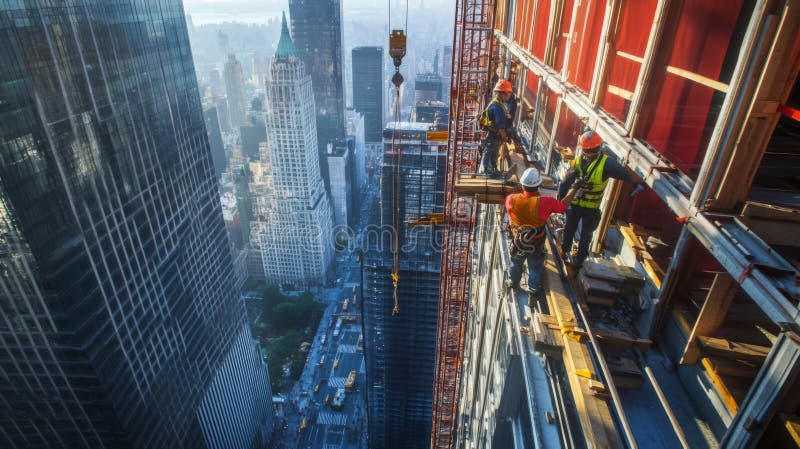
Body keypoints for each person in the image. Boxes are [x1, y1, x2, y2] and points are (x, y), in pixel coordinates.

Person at [557, 130, 644, 272]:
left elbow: (565, 183)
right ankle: (571, 257)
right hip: (584, 207)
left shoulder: (597, 163)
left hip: (584, 208)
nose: (588, 152)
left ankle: (571, 258)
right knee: (577, 233)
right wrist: (640, 182)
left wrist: (560, 201)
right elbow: (566, 181)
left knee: (578, 233)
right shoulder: (595, 162)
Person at [505, 167, 576, 306]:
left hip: (519, 240)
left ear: (521, 184)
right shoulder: (545, 202)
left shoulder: (511, 199)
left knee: (516, 262)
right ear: (538, 184)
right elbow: (562, 207)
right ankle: (532, 291)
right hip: (536, 242)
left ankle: (512, 282)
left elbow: (510, 215)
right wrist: (574, 189)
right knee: (535, 266)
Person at [480, 79, 519, 175]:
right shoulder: (498, 107)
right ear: (502, 93)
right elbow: (500, 127)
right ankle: (486, 169)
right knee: (491, 150)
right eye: (508, 93)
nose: (509, 96)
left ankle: (492, 169)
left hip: (493, 134)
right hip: (495, 134)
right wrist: (505, 137)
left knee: (493, 151)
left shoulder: (496, 103)